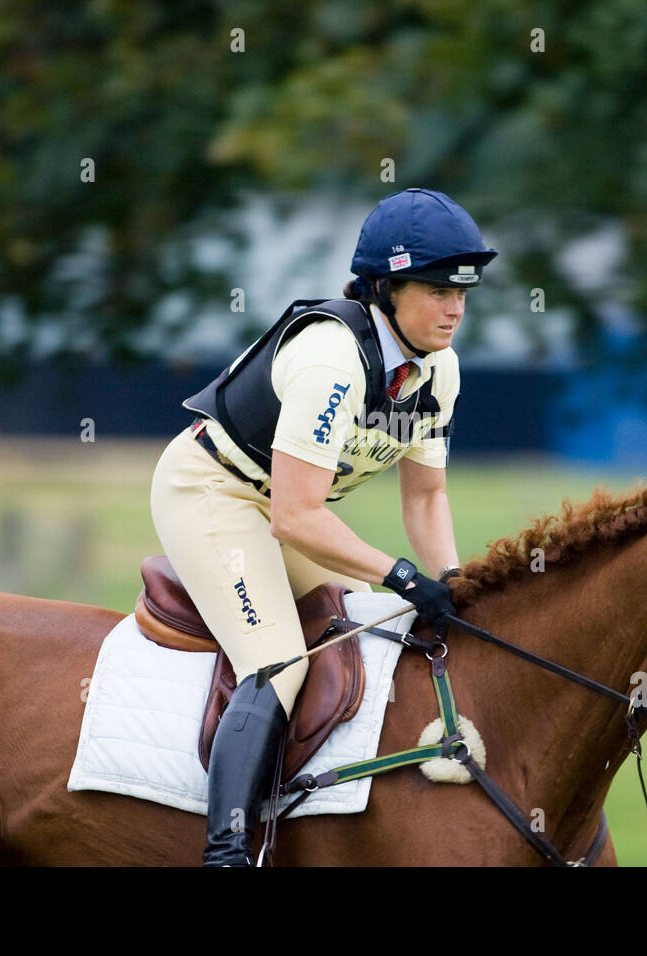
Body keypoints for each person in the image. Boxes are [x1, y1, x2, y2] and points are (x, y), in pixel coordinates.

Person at [150, 187, 497, 866]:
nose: (456, 307)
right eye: (435, 289)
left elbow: (426, 499)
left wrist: (453, 584)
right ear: (386, 289)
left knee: (367, 630)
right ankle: (227, 850)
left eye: (465, 290)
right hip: (212, 493)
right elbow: (296, 515)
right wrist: (400, 574)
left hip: (280, 508)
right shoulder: (332, 358)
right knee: (276, 660)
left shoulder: (439, 370)